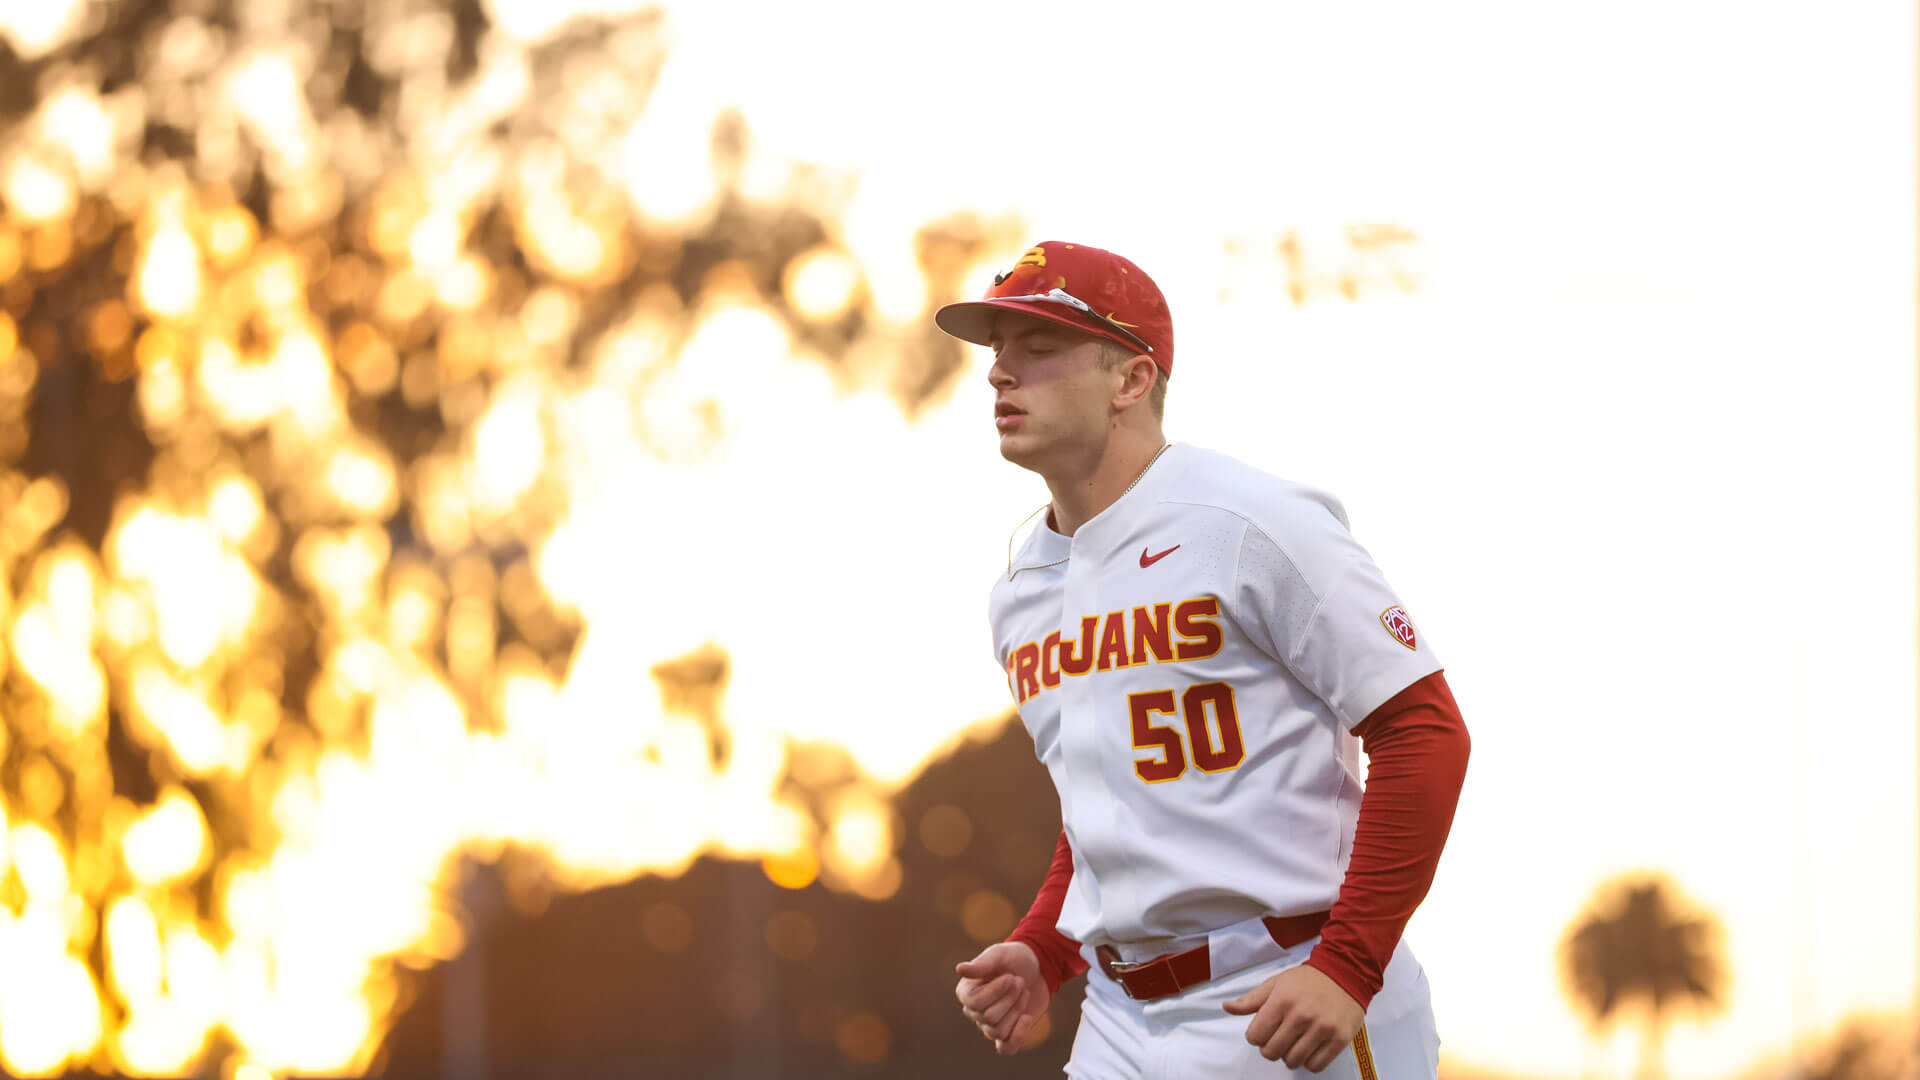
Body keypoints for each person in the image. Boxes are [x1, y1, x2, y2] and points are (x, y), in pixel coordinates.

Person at [936, 240, 1471, 1079]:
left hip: (1291, 987)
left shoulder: (1252, 523)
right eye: (998, 350)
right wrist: (1047, 946)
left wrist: (1348, 964)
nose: (1000, 372)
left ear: (1131, 379)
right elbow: (1106, 799)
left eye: (1038, 348)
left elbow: (1424, 732)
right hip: (1119, 1017)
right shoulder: (1020, 590)